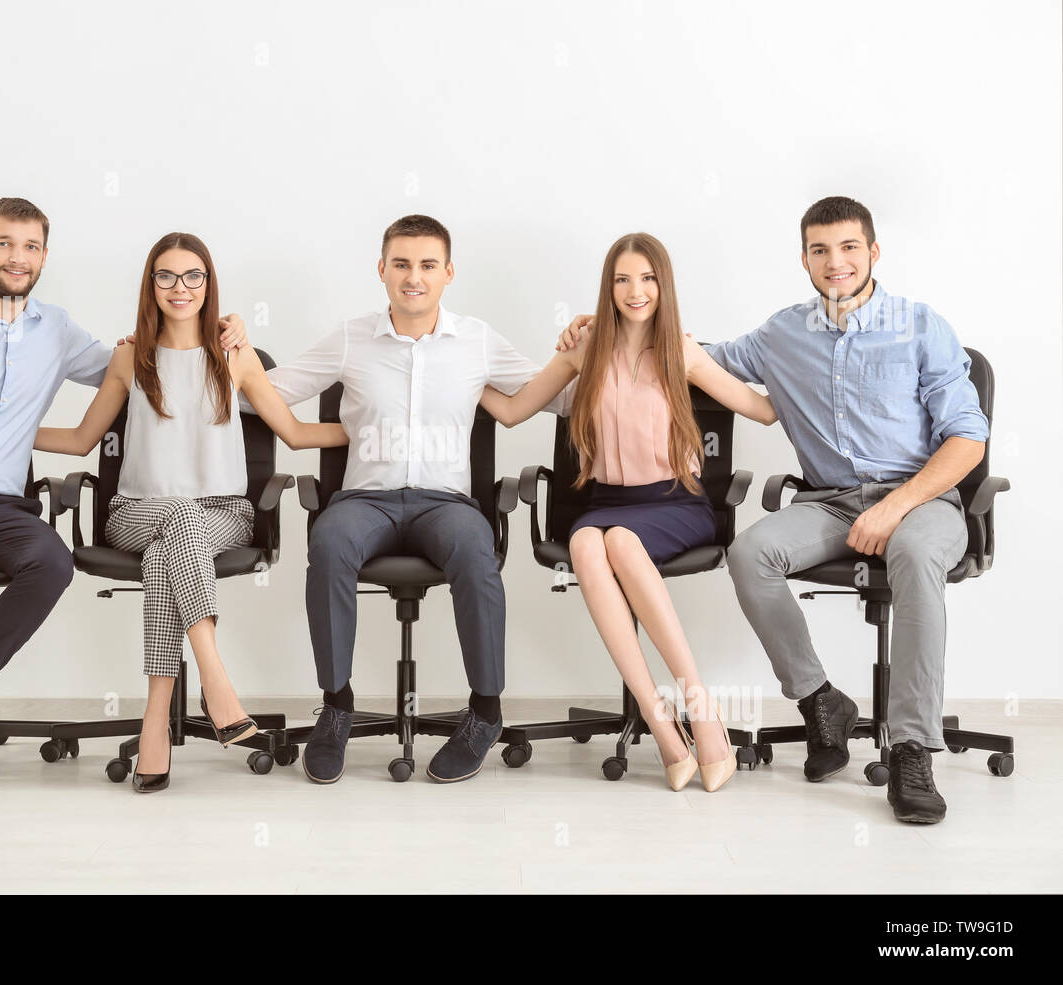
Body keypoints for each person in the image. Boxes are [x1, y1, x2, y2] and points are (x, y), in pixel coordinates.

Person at [559, 197, 988, 822]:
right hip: (830, 503)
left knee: (916, 556)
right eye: (820, 250)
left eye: (848, 248)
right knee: (751, 552)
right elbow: (687, 352)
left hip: (920, 499)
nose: (835, 263)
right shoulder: (783, 334)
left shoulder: (922, 327)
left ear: (874, 252)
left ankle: (913, 750)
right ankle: (819, 700)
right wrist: (604, 324)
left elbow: (967, 442)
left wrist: (896, 506)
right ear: (804, 258)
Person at [0, 199, 246, 793]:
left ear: (44, 256)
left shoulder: (58, 331)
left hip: (3, 506)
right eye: (4, 244)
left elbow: (138, 364)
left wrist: (222, 329)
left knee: (52, 564)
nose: (18, 257)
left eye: (31, 246)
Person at [241, 214, 576, 784]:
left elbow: (555, 398)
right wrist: (230, 356)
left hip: (446, 504)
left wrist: (584, 350)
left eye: (426, 265)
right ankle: (336, 705)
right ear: (382, 270)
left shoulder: (477, 341)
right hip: (364, 501)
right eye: (401, 264)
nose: (413, 277)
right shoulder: (351, 338)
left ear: (448, 272)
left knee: (476, 553)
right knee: (327, 542)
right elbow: (268, 396)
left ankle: (486, 712)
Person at [36, 232, 347, 792]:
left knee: (168, 555)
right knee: (175, 523)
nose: (180, 288)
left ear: (209, 283)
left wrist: (378, 431)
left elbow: (298, 434)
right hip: (134, 512)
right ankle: (215, 679)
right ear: (150, 285)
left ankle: (156, 719)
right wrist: (5, 432)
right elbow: (83, 439)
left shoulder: (235, 355)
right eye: (166, 276)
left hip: (222, 513)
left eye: (193, 276)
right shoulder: (130, 357)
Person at [480, 233, 776, 791]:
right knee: (590, 541)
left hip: (676, 502)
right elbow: (516, 410)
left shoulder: (682, 352)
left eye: (646, 278)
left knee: (613, 541)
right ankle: (665, 728)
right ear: (608, 287)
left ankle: (701, 711)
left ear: (663, 284)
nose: (635, 290)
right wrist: (461, 381)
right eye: (622, 280)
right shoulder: (583, 347)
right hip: (606, 504)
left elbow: (761, 410)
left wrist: (814, 374)